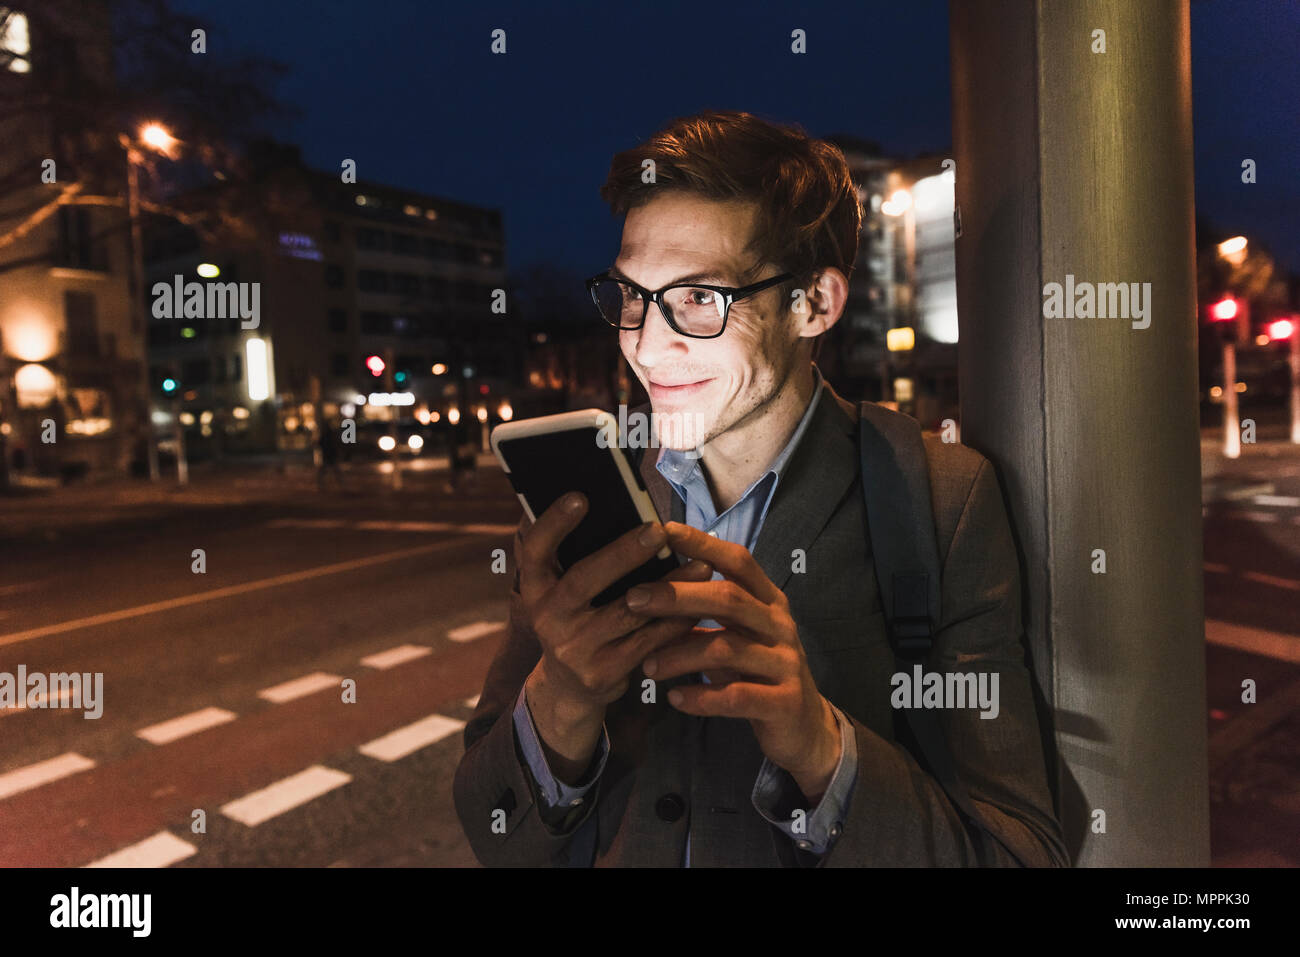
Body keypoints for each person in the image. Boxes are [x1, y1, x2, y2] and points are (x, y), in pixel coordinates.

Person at [454, 110, 1068, 867]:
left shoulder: (940, 497)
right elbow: (491, 830)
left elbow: (1022, 852)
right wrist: (562, 699)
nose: (646, 344)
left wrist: (821, 748)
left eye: (699, 300)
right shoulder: (592, 499)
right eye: (630, 297)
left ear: (814, 303)